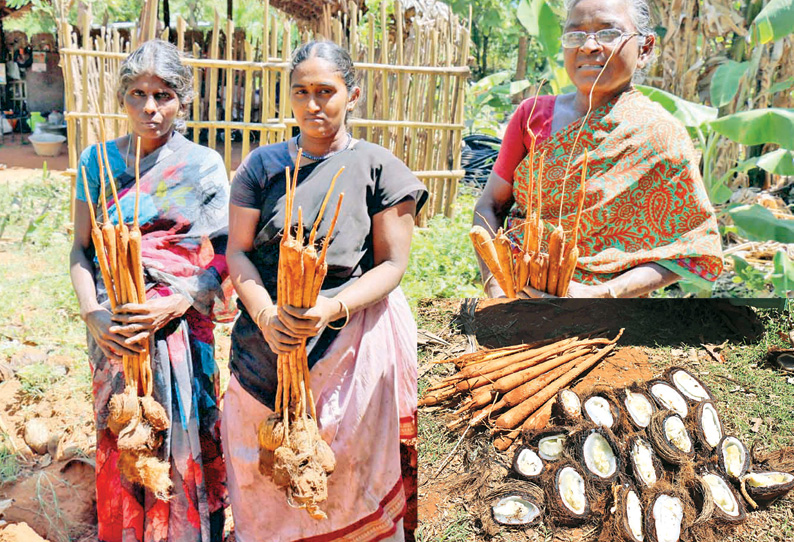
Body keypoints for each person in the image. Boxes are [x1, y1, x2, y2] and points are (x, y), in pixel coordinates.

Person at [223, 41, 426, 541]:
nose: (314, 104)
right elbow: (238, 253)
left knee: (344, 472)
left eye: (326, 91)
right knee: (264, 472)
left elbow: (392, 266)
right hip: (263, 344)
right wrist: (269, 316)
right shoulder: (262, 167)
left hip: (347, 343)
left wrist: (331, 306)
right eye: (301, 92)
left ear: (352, 94)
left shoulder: (380, 168)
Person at [69, 40, 229, 542]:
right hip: (116, 331)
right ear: (123, 98)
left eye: (163, 94)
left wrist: (181, 299)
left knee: (185, 435)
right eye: (137, 94)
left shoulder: (204, 165)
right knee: (125, 433)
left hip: (181, 325)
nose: (150, 108)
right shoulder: (96, 164)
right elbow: (80, 249)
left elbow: (226, 254)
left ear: (183, 99)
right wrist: (93, 313)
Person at [474, 0, 723, 298]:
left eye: (608, 34)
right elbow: (489, 205)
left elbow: (692, 246)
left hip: (612, 319)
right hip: (520, 298)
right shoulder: (532, 116)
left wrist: (602, 294)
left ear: (644, 49)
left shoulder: (661, 135)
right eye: (575, 35)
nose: (589, 46)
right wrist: (496, 287)